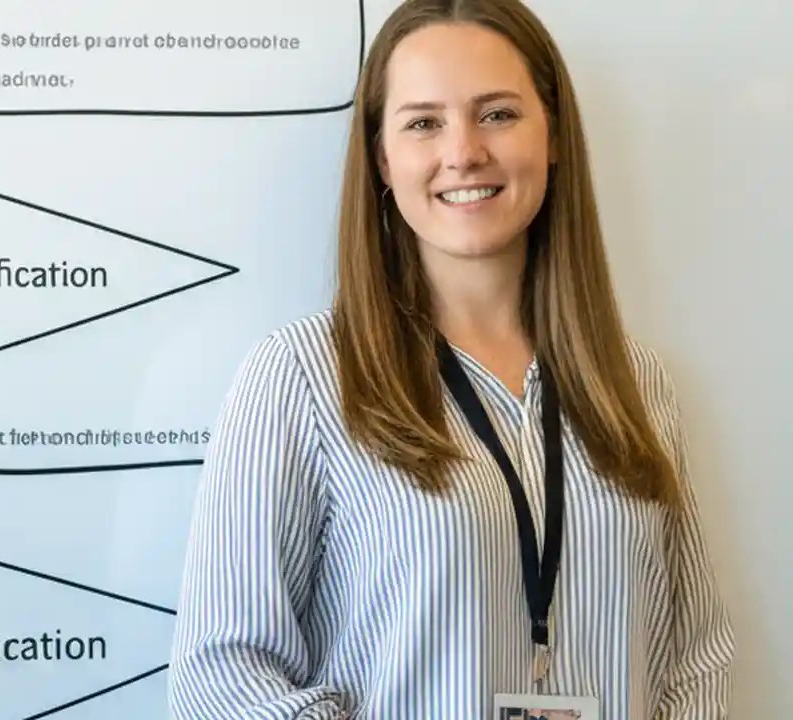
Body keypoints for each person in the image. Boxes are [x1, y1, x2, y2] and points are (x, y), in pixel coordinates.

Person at [166, 0, 735, 717]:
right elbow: (221, 676)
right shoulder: (302, 375)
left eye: (497, 114)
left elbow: (695, 657)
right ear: (382, 157)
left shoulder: (639, 383)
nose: (464, 152)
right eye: (423, 122)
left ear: (553, 135)